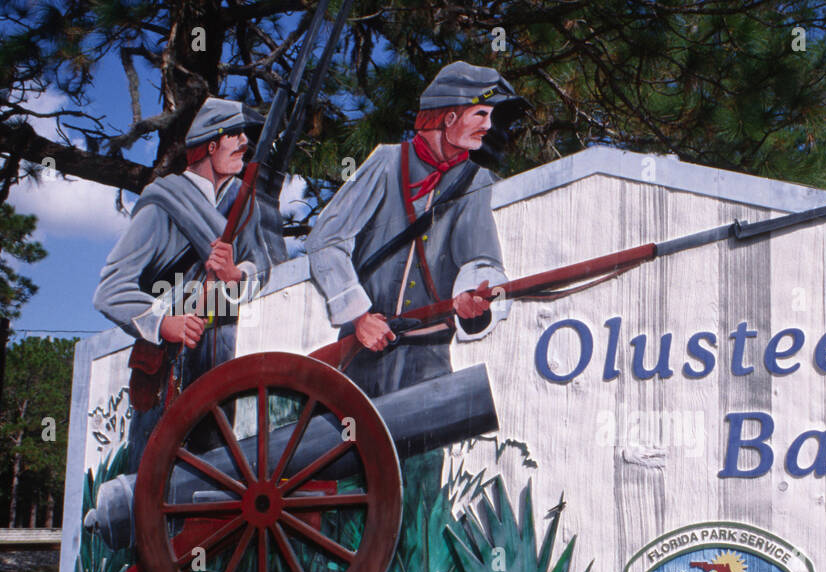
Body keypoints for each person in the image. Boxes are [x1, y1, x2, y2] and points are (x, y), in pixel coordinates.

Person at [305, 61, 522, 399]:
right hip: (361, 353)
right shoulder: (386, 162)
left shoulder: (475, 180)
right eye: (481, 114)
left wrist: (472, 296)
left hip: (428, 359)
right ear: (449, 117)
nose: (488, 126)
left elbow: (480, 257)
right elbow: (325, 239)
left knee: (424, 449)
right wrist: (359, 317)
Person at [94, 97, 279, 469]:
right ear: (210, 146)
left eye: (246, 135)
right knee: (154, 477)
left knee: (216, 479)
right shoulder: (163, 202)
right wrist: (164, 322)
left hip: (225, 362)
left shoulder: (245, 206)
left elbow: (266, 270)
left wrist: (234, 273)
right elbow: (110, 290)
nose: (245, 142)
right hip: (167, 366)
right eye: (235, 135)